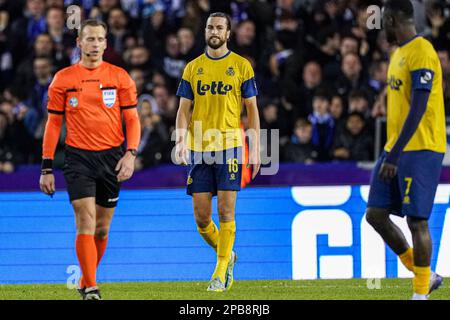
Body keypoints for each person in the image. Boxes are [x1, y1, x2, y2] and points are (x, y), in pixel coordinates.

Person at [39, 19, 140, 300]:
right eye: (90, 39)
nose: (95, 45)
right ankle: (92, 289)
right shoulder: (64, 79)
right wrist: (47, 166)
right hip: (78, 158)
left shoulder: (120, 77)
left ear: (106, 43)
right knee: (85, 219)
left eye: (99, 39)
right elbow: (53, 125)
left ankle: (85, 279)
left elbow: (132, 118)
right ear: (79, 43)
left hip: (112, 157)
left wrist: (130, 154)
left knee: (102, 227)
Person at [365, 0, 445, 300]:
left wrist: (395, 154)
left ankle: (420, 294)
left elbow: (420, 108)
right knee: (375, 214)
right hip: (395, 149)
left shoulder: (422, 51)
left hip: (421, 148)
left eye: (383, 21)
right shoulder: (398, 53)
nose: (380, 26)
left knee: (416, 220)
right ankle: (426, 274)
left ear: (395, 19)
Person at [175, 12, 261, 292]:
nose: (214, 31)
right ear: (205, 31)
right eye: (210, 26)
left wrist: (257, 147)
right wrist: (180, 140)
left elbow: (252, 109)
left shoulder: (241, 66)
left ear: (228, 33)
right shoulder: (192, 68)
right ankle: (229, 255)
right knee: (201, 218)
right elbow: (183, 109)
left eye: (219, 27)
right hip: (199, 147)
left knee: (226, 210)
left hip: (230, 146)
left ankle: (220, 272)